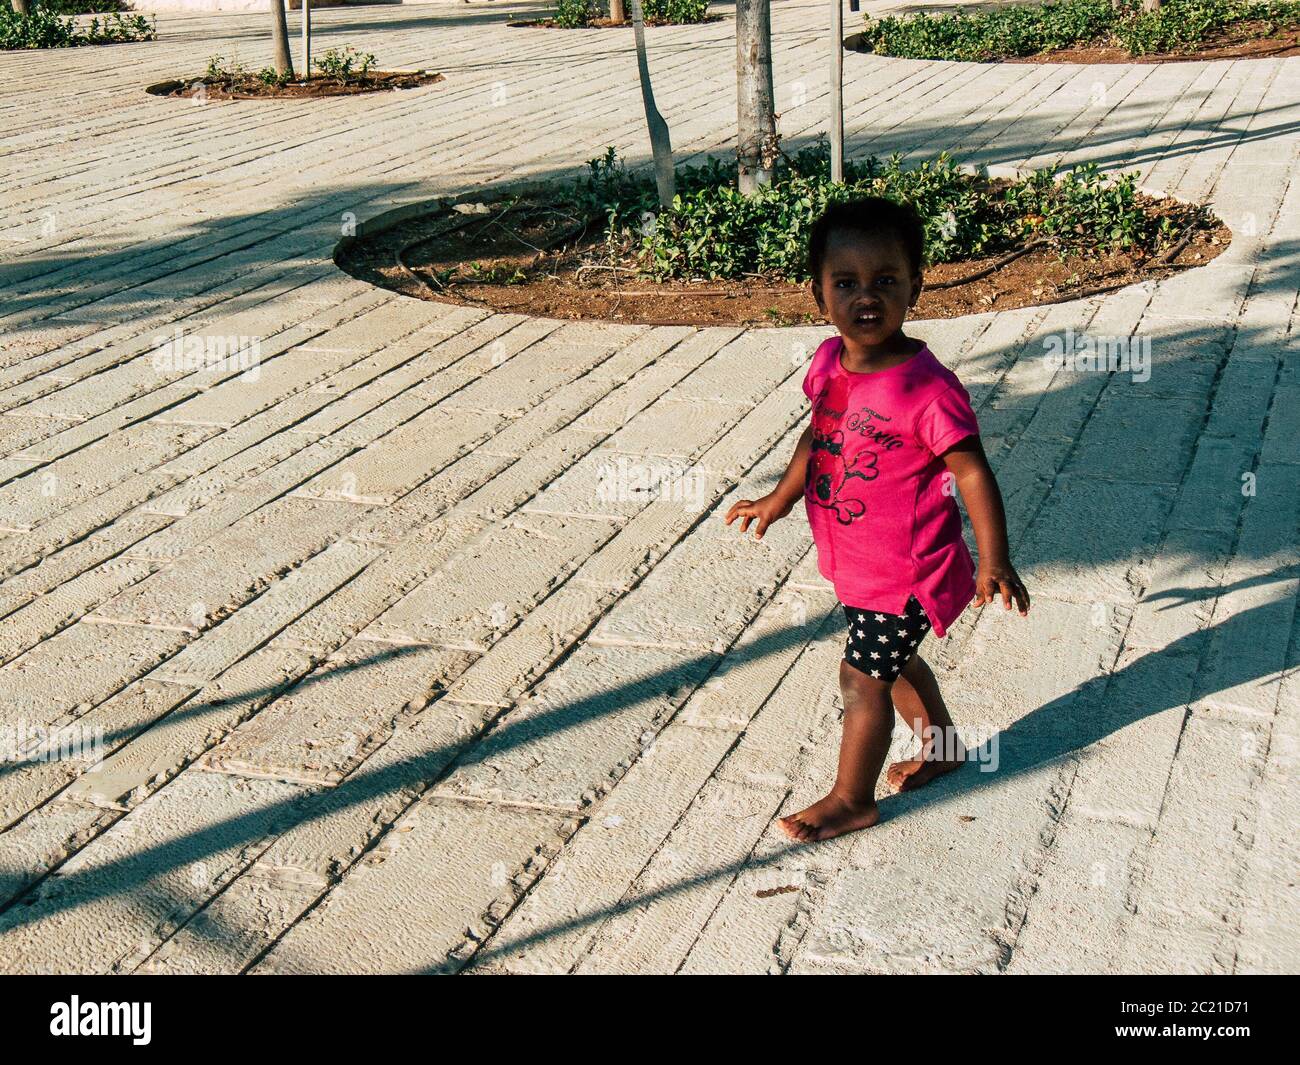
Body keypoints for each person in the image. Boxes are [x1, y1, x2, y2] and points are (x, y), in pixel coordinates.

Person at [724, 196, 1031, 842]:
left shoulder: (927, 388)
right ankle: (942, 745)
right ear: (818, 294)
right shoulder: (829, 365)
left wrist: (994, 557)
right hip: (859, 565)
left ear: (915, 286)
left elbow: (972, 469)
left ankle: (850, 797)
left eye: (886, 280)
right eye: (846, 283)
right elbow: (819, 435)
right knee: (893, 663)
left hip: (908, 572)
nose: (867, 296)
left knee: (862, 679)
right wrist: (780, 497)